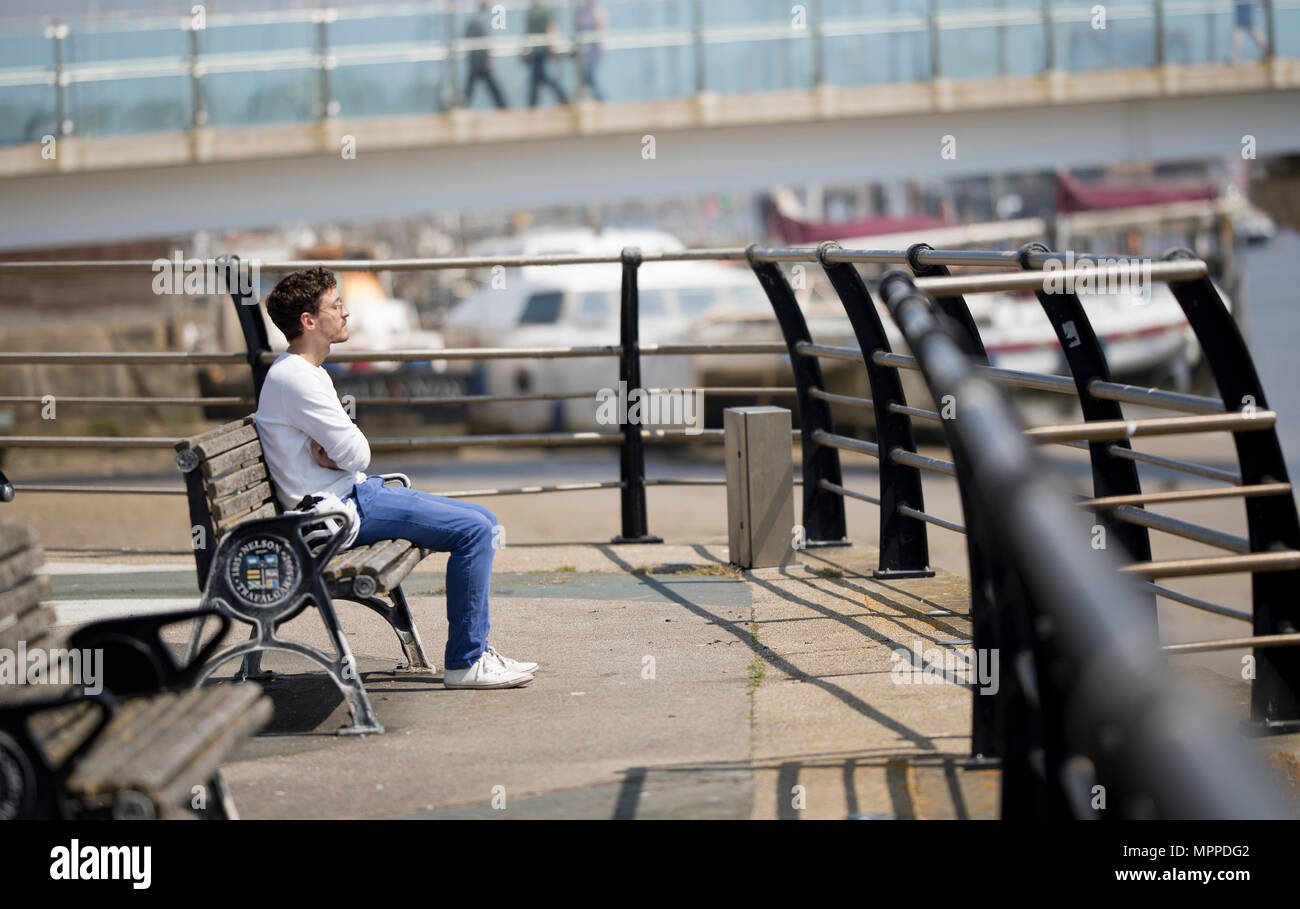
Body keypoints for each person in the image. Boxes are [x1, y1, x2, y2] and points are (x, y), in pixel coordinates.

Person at [255, 267, 537, 689]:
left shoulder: (300, 372)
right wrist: (340, 459)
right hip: (338, 514)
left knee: (481, 518)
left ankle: (476, 651)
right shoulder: (297, 378)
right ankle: (466, 662)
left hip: (353, 494)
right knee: (477, 530)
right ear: (308, 321)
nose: (346, 313)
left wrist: (336, 459)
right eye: (335, 306)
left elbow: (346, 455)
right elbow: (358, 452)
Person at [464, 0, 507, 109]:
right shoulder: (483, 20)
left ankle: (463, 107)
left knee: (471, 88)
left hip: (475, 60)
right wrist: (488, 58)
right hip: (481, 61)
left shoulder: (472, 20)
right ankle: (503, 107)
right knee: (491, 87)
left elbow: (467, 38)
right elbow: (485, 42)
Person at [525, 0, 568, 107]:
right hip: (536, 50)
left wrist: (552, 46)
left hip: (543, 50)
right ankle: (562, 99)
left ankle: (563, 99)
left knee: (543, 78)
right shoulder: (532, 11)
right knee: (538, 78)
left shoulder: (545, 9)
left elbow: (551, 27)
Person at [573, 0, 606, 102]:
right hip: (583, 52)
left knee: (591, 77)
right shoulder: (582, 12)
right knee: (585, 78)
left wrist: (600, 49)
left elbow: (600, 32)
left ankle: (599, 98)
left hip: (592, 52)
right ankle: (582, 98)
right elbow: (579, 30)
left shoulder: (597, 12)